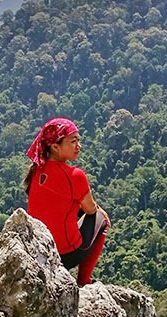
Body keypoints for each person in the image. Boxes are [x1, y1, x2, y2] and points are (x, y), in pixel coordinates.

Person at [24, 117, 109, 287]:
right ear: (55, 147)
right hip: (65, 256)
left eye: (78, 140)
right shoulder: (75, 176)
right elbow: (91, 210)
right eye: (73, 141)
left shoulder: (37, 170)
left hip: (39, 252)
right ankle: (84, 280)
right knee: (103, 219)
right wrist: (97, 209)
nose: (79, 146)